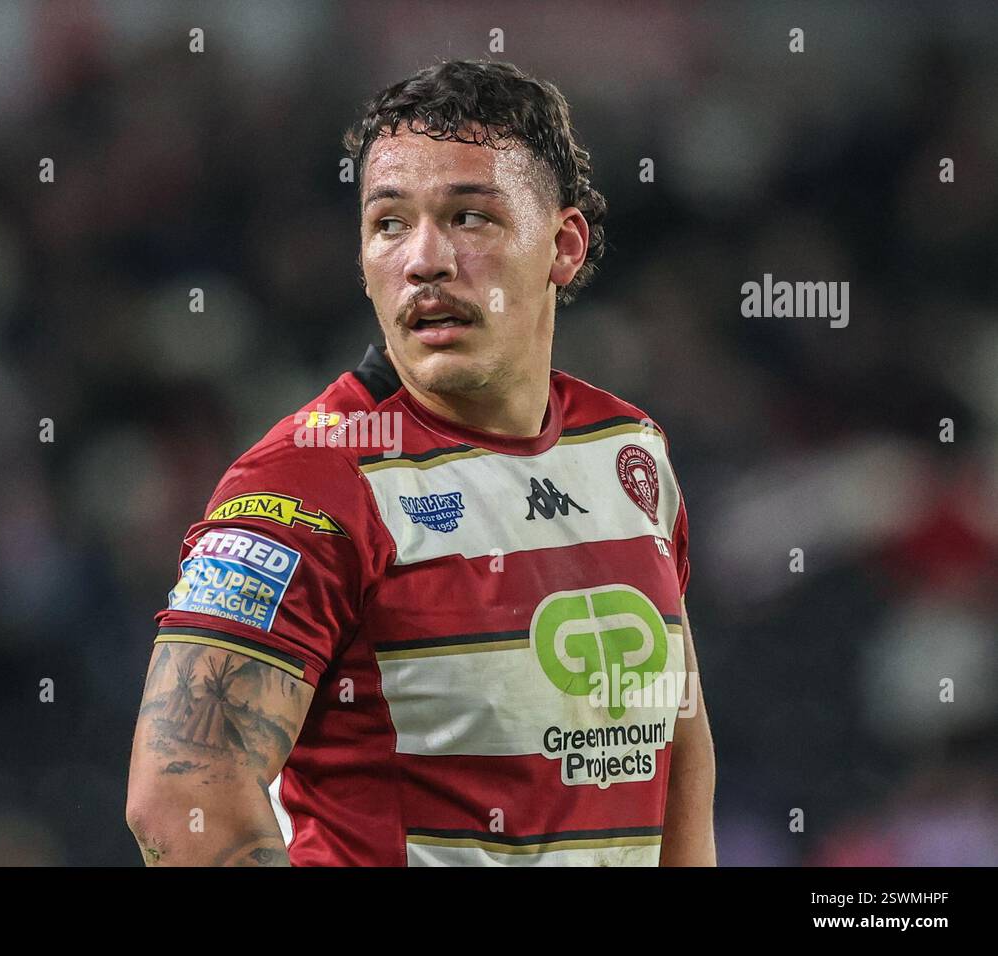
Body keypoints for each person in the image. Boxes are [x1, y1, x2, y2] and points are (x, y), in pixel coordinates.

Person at [125, 59, 715, 866]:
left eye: (470, 217)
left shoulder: (630, 455)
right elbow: (181, 798)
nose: (424, 259)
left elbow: (678, 752)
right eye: (389, 223)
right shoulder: (307, 482)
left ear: (564, 247)